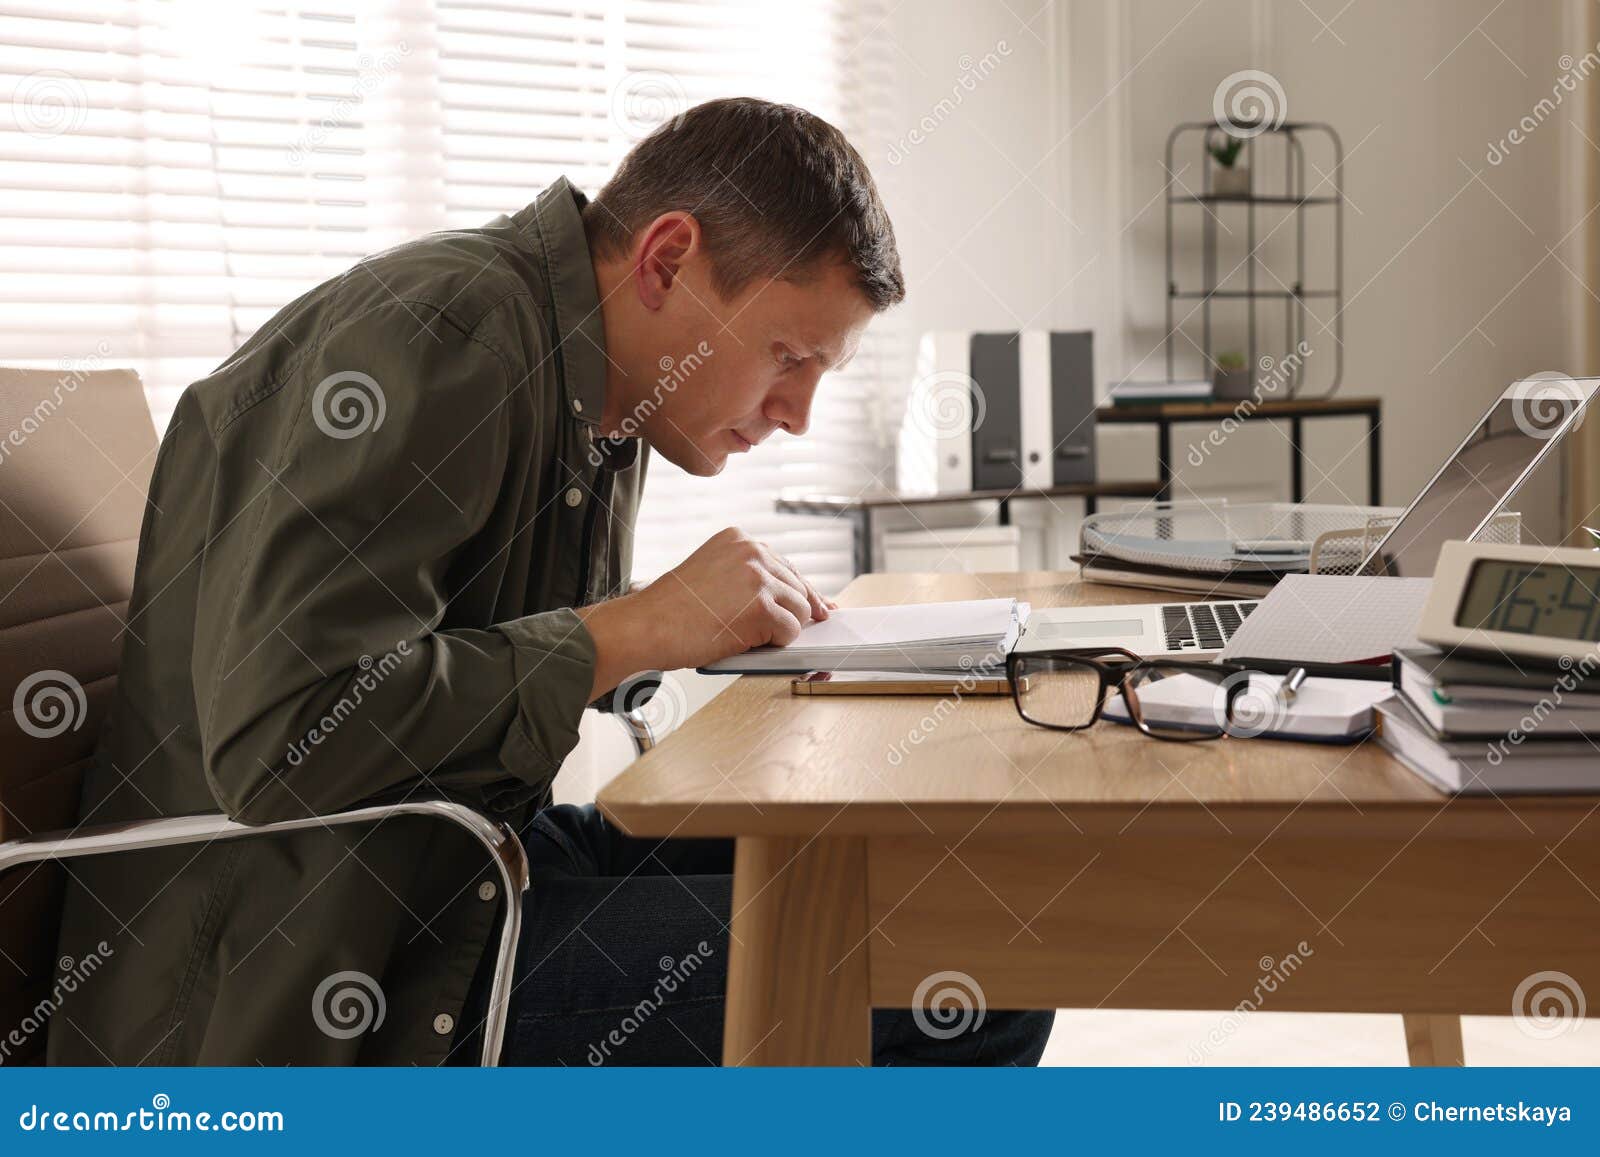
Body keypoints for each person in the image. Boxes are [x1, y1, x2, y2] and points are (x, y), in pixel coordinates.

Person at [50, 97, 1053, 1066]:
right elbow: (284, 734)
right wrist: (630, 629)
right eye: (786, 355)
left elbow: (475, 639)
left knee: (932, 884)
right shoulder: (439, 333)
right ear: (667, 259)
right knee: (969, 961)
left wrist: (687, 629)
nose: (795, 411)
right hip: (321, 959)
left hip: (459, 867)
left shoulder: (602, 394)